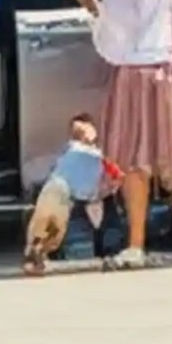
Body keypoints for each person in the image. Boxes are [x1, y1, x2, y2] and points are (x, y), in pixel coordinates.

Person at [47, 0, 172, 269]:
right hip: (131, 77)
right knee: (131, 162)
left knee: (154, 161)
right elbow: (110, 40)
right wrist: (90, 5)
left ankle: (146, 236)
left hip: (157, 78)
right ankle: (136, 240)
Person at [22, 113, 123, 275]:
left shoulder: (105, 158)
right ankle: (39, 250)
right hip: (74, 205)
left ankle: (40, 250)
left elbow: (118, 177)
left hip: (102, 205)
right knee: (79, 251)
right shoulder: (63, 158)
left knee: (110, 247)